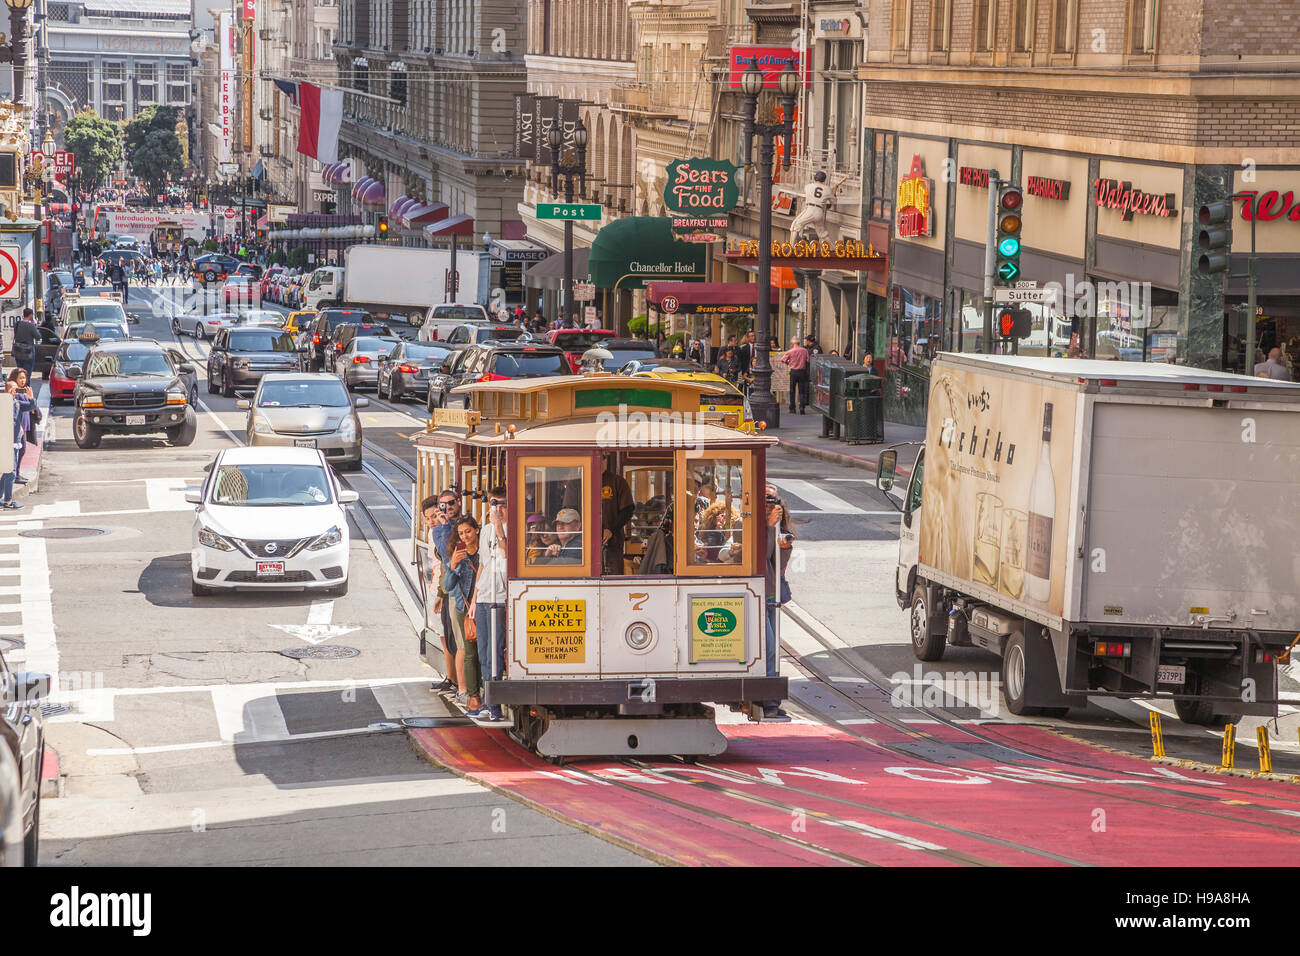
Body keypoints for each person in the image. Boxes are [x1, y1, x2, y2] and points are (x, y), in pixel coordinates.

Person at [469, 486, 508, 722]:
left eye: (503, 504)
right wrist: (474, 597)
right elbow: (482, 564)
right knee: (484, 651)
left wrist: (499, 527)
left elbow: (508, 556)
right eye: (495, 504)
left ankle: (496, 706)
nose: (499, 509)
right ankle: (487, 701)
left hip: (502, 596)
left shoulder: (511, 528)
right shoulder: (484, 532)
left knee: (495, 650)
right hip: (484, 595)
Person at [426, 490, 465, 698]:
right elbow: (446, 555)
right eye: (443, 505)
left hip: (463, 590)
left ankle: (462, 687)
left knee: (461, 640)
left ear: (458, 502)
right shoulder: (440, 530)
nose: (447, 508)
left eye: (450, 503)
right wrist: (443, 526)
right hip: (449, 587)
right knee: (450, 637)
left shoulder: (464, 525)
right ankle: (456, 683)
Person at [445, 515, 482, 714]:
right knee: (470, 652)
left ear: (476, 530)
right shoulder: (458, 555)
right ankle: (473, 696)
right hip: (465, 610)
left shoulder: (484, 552)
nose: (465, 536)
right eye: (461, 533)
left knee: (483, 652)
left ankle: (482, 690)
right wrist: (452, 567)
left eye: (468, 531)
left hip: (483, 607)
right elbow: (447, 586)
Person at [762, 484, 793, 720]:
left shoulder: (774, 526)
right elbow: (758, 557)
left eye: (774, 500)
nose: (772, 505)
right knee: (769, 648)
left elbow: (777, 565)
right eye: (767, 500)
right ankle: (768, 701)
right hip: (756, 596)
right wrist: (769, 527)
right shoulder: (753, 527)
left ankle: (770, 701)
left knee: (773, 652)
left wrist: (786, 546)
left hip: (771, 595)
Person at [601, 458, 634, 575]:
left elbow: (628, 510)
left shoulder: (617, 481)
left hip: (613, 545)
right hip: (584, 548)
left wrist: (611, 530)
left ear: (606, 460)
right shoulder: (579, 482)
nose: (600, 461)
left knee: (614, 582)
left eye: (602, 458)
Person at [8, 370, 33, 486]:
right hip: (19, 426)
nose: (23, 381)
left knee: (22, 450)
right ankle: (16, 474)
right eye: (20, 378)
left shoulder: (24, 392)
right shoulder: (16, 396)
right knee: (21, 450)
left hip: (25, 424)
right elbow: (29, 406)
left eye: (24, 378)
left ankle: (17, 473)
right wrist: (31, 399)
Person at [0, 381, 22, 510]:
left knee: (8, 472)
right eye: (13, 390)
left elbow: (31, 407)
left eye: (16, 390)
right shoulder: (4, 404)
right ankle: (8, 500)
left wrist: (30, 397)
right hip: (7, 440)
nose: (15, 392)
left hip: (15, 440)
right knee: (11, 472)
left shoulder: (17, 402)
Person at [784, 335, 810, 413]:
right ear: (799, 343)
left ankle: (792, 407)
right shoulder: (804, 350)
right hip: (802, 372)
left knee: (792, 390)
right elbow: (808, 360)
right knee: (801, 390)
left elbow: (783, 359)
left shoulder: (790, 351)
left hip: (793, 372)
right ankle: (802, 406)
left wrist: (788, 363)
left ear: (792, 343)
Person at [11, 308, 38, 382]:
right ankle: (26, 390)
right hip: (28, 353)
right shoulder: (31, 326)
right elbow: (38, 337)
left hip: (18, 351)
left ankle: (20, 389)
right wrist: (34, 324)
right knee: (27, 374)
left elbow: (16, 335)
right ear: (31, 315)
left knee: (20, 373)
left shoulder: (17, 324)